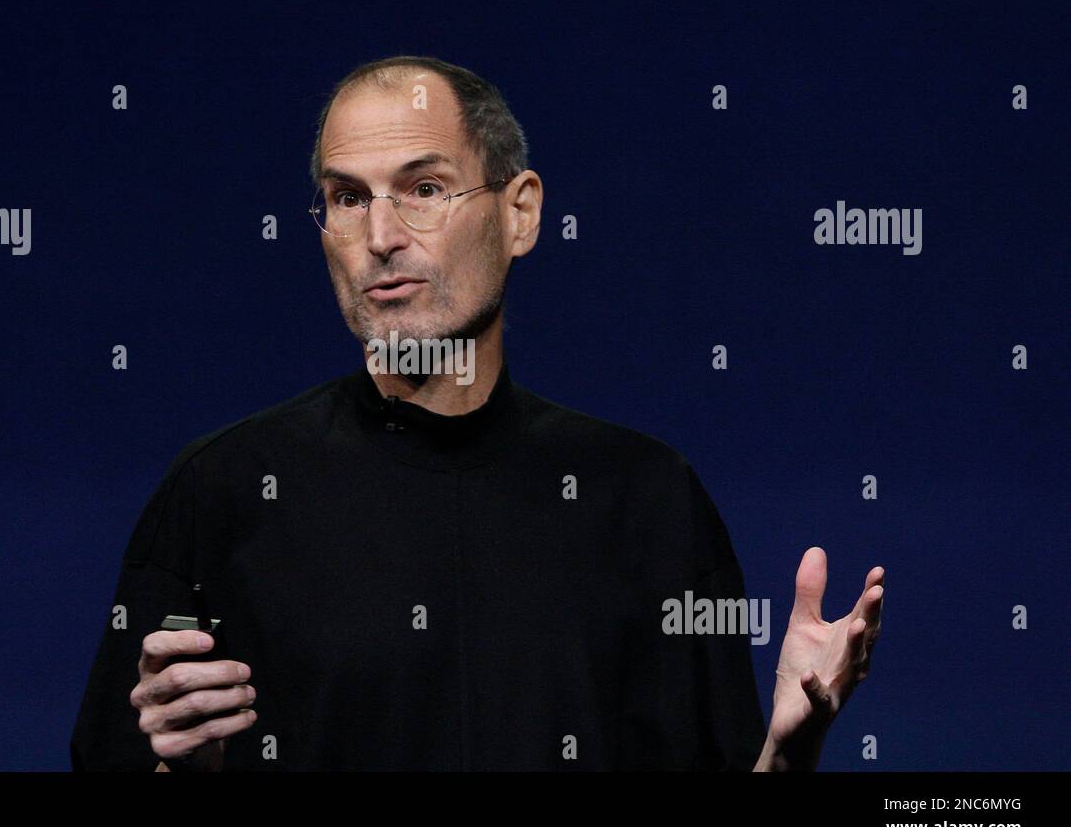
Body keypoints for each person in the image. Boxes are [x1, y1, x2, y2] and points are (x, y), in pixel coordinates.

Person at [70, 55, 885, 772]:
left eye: (423, 189)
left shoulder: (647, 499)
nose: (381, 235)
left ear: (519, 211)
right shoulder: (222, 493)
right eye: (346, 199)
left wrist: (785, 756)